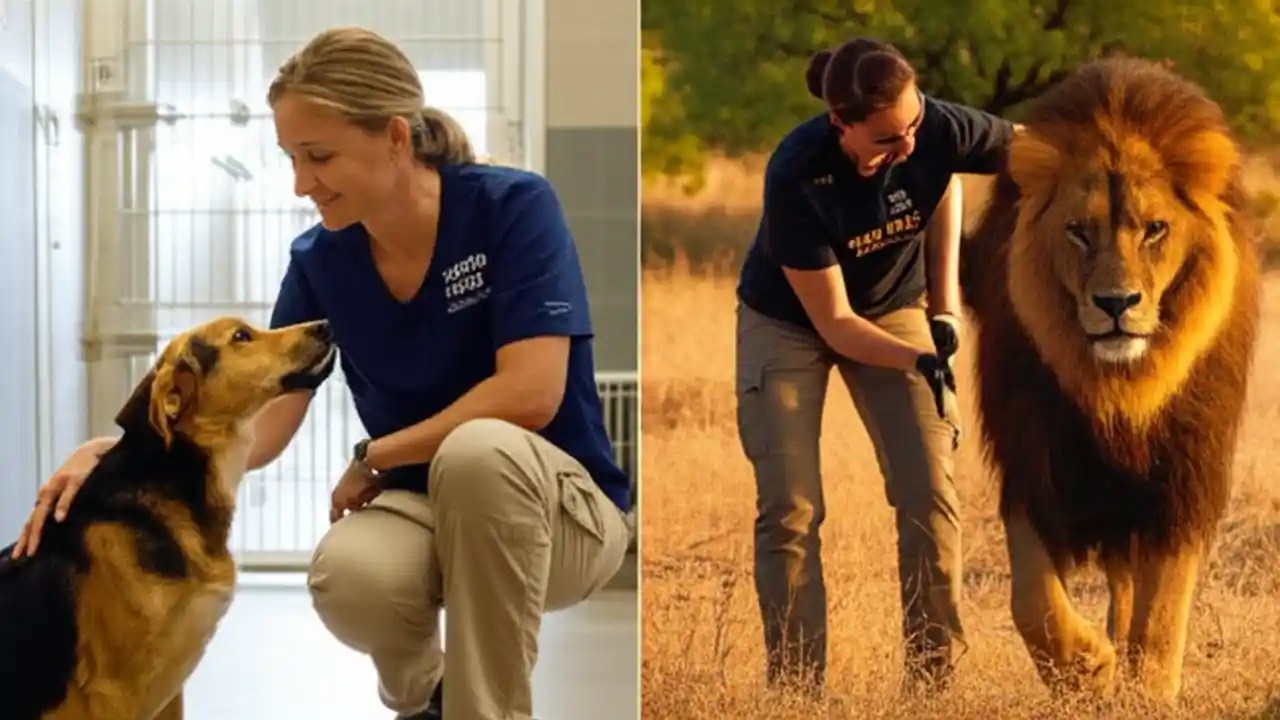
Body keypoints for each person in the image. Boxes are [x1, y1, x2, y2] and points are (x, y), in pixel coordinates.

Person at [11, 25, 631, 720]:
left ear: (396, 137)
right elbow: (263, 423)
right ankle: (425, 698)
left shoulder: (512, 208)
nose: (301, 183)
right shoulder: (322, 257)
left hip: (559, 515)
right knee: (350, 578)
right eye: (291, 157)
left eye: (319, 156)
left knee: (478, 451)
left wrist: (378, 455)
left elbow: (530, 393)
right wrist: (122, 453)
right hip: (426, 510)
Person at [734, 37, 1016, 697]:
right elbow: (834, 324)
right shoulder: (797, 172)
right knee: (791, 506)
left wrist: (944, 310)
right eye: (888, 139)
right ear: (843, 125)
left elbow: (973, 164)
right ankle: (798, 691)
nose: (908, 145)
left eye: (915, 125)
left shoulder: (935, 129)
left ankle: (933, 684)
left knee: (929, 494)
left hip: (895, 308)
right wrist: (920, 358)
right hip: (791, 321)